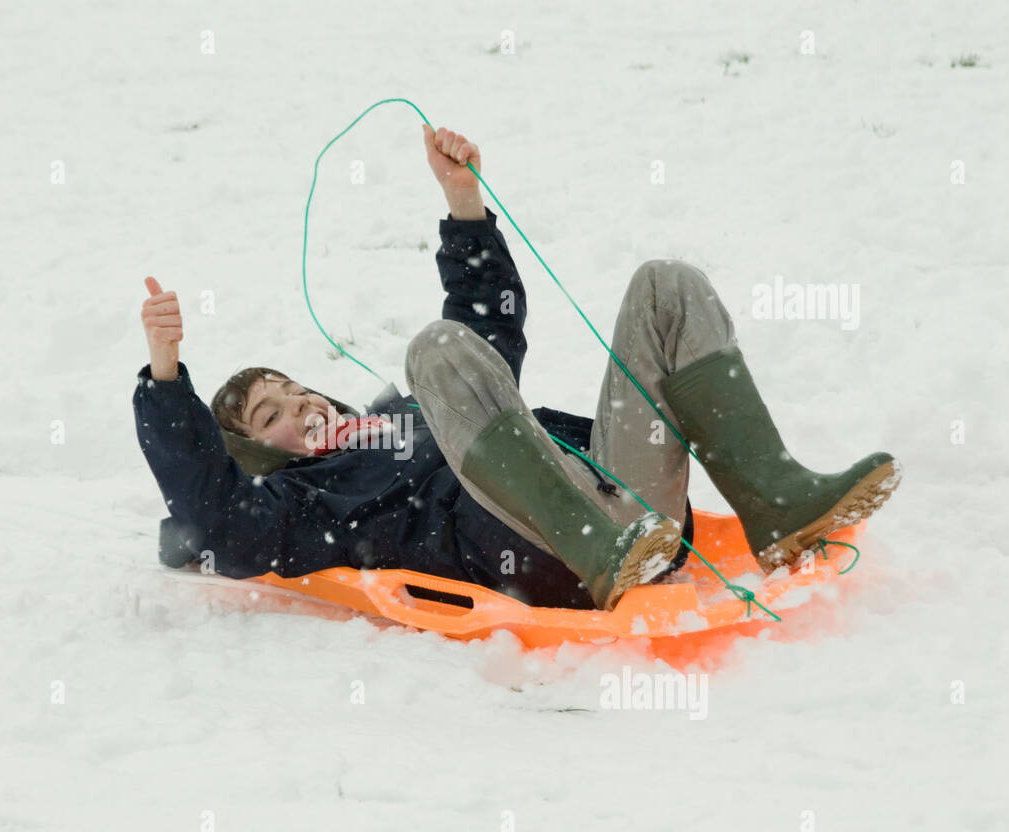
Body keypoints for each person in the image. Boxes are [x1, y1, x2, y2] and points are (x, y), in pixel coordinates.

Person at [133, 125, 902, 611]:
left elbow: (487, 333)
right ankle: (597, 547)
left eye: (294, 388)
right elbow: (210, 517)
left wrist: (462, 200)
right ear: (258, 453)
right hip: (552, 559)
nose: (299, 404)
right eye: (272, 414)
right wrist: (167, 376)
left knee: (665, 286)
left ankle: (778, 503)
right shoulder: (300, 507)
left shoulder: (404, 417)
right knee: (434, 348)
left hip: (626, 497)